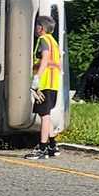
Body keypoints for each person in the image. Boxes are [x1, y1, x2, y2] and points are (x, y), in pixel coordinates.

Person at [25, 15, 63, 159]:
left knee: (44, 116)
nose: (35, 28)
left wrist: (36, 78)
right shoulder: (54, 41)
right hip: (53, 82)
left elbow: (45, 59)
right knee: (45, 114)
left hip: (45, 83)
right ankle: (53, 146)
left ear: (41, 28)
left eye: (36, 26)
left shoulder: (43, 40)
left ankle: (42, 148)